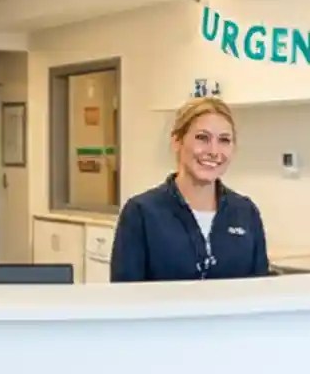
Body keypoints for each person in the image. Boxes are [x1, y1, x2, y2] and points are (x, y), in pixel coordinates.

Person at [110, 96, 269, 282]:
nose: (214, 151)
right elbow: (125, 293)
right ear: (177, 141)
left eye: (224, 140)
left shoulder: (245, 213)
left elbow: (261, 290)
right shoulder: (142, 212)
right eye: (202, 138)